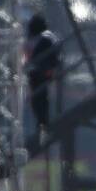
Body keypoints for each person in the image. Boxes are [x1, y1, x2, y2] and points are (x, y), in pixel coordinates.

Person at [25, 14, 61, 142]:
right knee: (38, 100)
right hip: (36, 73)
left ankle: (43, 125)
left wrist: (48, 69)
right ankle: (42, 125)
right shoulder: (38, 37)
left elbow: (53, 56)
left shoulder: (46, 38)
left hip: (41, 73)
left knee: (40, 99)